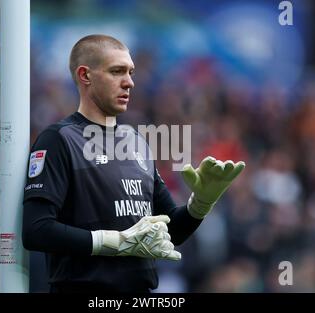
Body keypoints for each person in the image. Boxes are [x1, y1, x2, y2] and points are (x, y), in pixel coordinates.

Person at [22, 34, 245, 293]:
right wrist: (114, 241)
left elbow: (170, 231)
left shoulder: (136, 142)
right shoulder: (59, 140)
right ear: (85, 76)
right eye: (117, 71)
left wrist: (201, 203)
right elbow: (36, 230)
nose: (129, 82)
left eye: (130, 72)